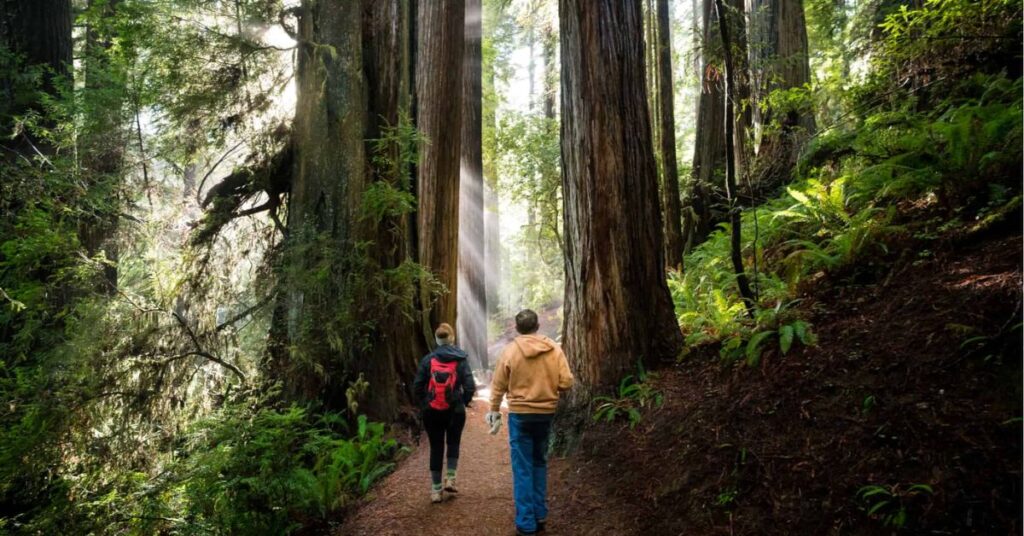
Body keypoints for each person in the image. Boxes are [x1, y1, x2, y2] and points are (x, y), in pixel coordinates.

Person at [487, 310, 574, 535]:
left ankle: (526, 523)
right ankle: (540, 514)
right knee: (539, 462)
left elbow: (498, 385)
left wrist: (494, 410)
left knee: (522, 468)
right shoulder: (554, 349)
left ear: (517, 328)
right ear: (538, 326)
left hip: (520, 416)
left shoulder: (510, 351)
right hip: (545, 414)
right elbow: (566, 382)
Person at [413, 323, 476, 503]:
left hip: (432, 411)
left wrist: (427, 403)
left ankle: (435, 490)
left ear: (437, 339)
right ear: (452, 338)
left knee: (436, 446)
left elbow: (417, 387)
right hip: (455, 410)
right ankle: (451, 478)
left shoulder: (428, 360)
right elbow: (469, 387)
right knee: (453, 442)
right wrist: (462, 402)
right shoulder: (461, 359)